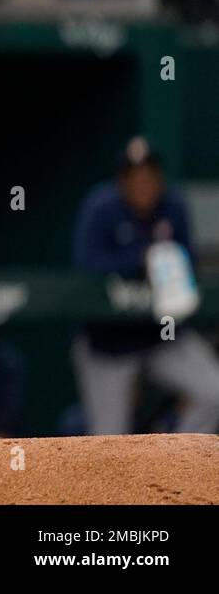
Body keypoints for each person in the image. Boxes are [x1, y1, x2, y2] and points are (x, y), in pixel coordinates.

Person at [71, 137, 219, 435]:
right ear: (122, 181)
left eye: (149, 176)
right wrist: (141, 260)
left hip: (161, 335)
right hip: (108, 343)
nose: (143, 183)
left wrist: (170, 263)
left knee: (213, 393)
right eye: (135, 177)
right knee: (109, 437)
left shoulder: (173, 206)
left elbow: (187, 260)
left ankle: (177, 462)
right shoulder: (101, 208)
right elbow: (88, 267)